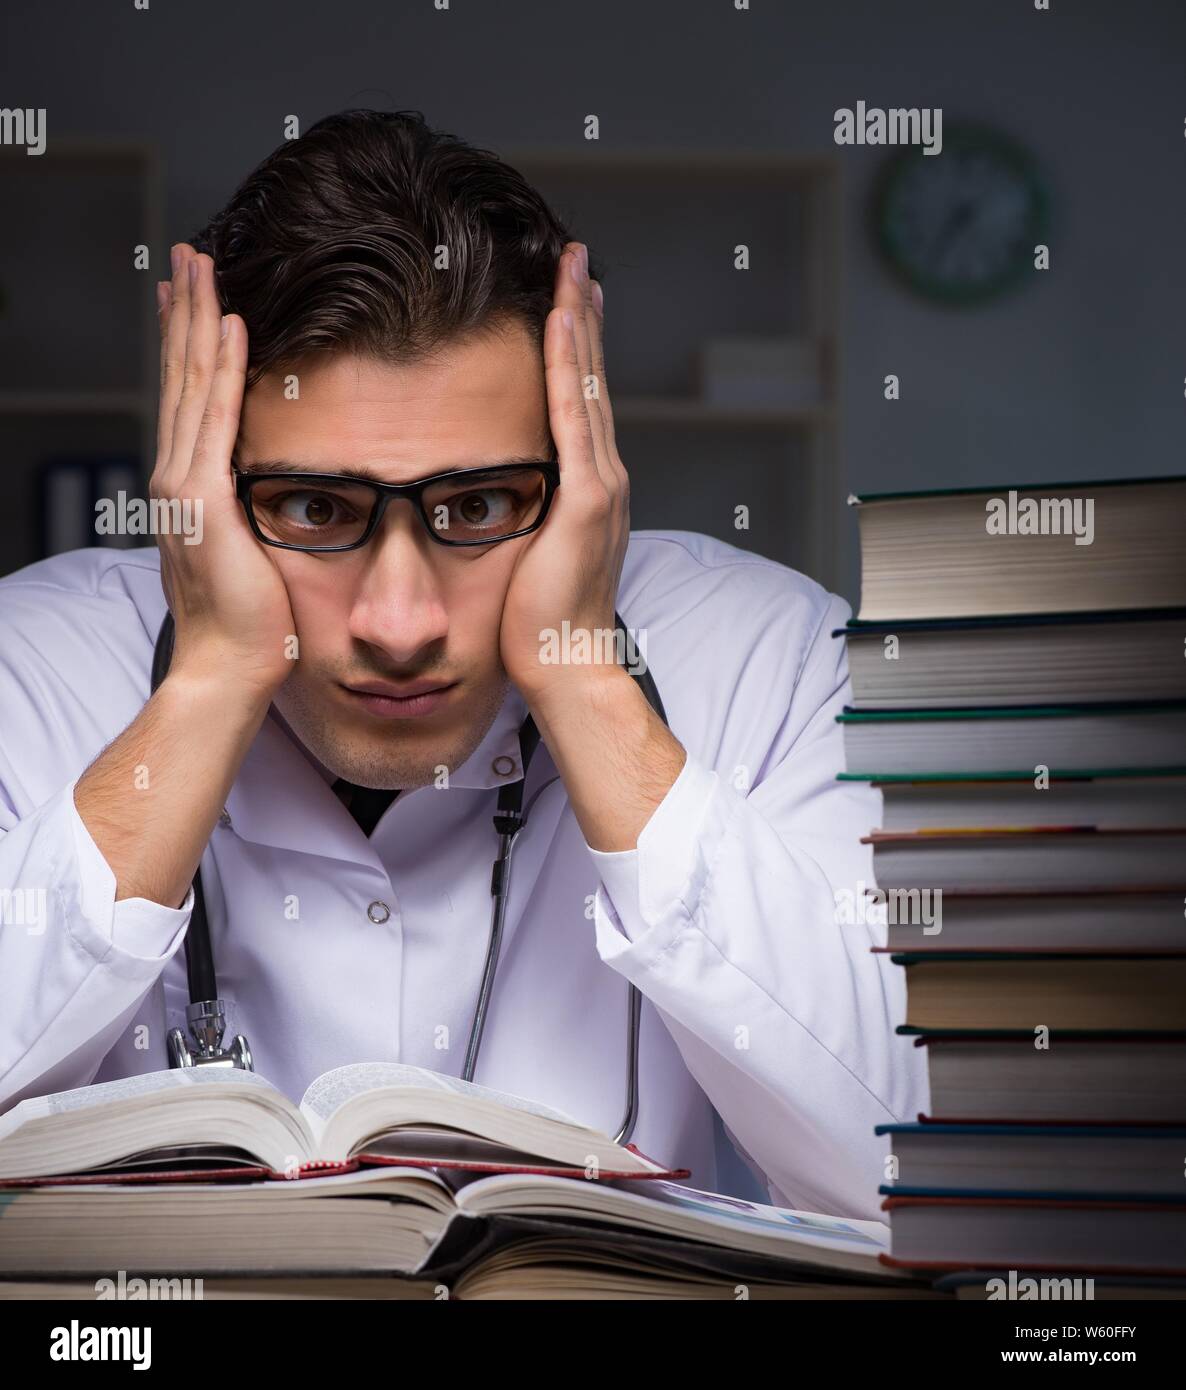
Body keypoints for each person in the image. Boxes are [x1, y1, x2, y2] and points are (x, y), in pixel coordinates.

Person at [0, 109, 925, 1219]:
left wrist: (587, 682)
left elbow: (910, 1175)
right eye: (310, 506)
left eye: (478, 505)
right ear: (204, 486)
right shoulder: (29, 667)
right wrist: (206, 685)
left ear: (581, 480)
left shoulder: (766, 659)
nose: (399, 621)